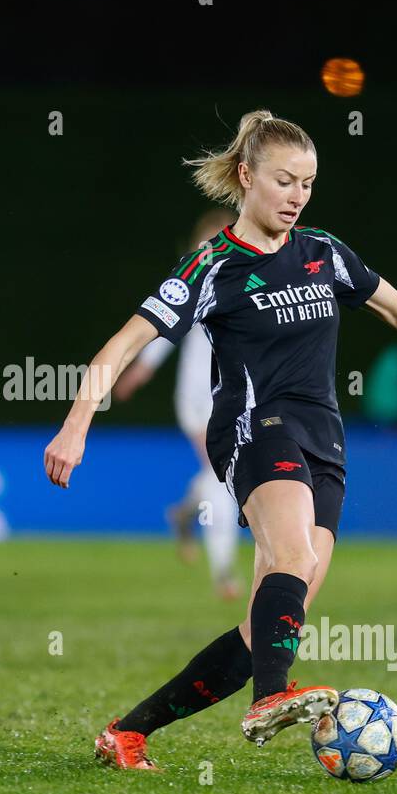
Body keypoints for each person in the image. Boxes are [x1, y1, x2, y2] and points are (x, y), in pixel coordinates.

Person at [43, 110, 397, 769]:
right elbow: (122, 345)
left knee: (265, 627)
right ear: (246, 178)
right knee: (290, 555)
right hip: (252, 427)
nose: (298, 195)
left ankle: (129, 733)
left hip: (323, 441)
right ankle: (273, 697)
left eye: (307, 182)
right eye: (284, 180)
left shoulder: (323, 252)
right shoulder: (213, 265)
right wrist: (76, 426)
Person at [113, 209, 242, 601]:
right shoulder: (197, 281)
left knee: (222, 475)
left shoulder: (250, 281)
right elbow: (168, 323)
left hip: (237, 395)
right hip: (198, 398)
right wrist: (142, 368)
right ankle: (224, 573)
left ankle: (186, 513)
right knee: (224, 478)